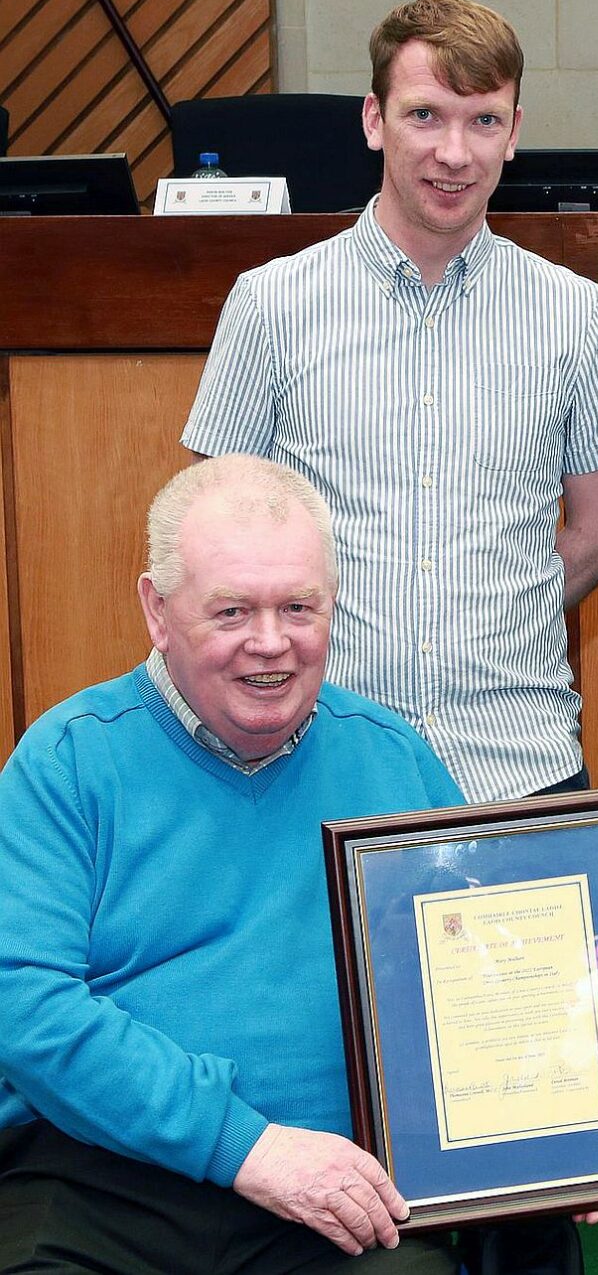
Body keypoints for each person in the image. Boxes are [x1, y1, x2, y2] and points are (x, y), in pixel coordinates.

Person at [183, 0, 598, 803]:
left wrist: (504, 611)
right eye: (425, 114)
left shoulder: (572, 312)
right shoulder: (270, 304)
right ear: (374, 119)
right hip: (317, 766)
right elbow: (212, 537)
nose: (453, 152)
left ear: (514, 132)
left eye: (483, 121)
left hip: (520, 761)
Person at [0, 456, 464, 1273]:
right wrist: (241, 1145)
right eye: (232, 610)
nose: (270, 642)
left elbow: (484, 984)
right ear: (157, 608)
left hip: (338, 1186)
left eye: (299, 606)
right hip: (104, 1176)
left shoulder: (398, 765)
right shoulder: (69, 761)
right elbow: (26, 1006)